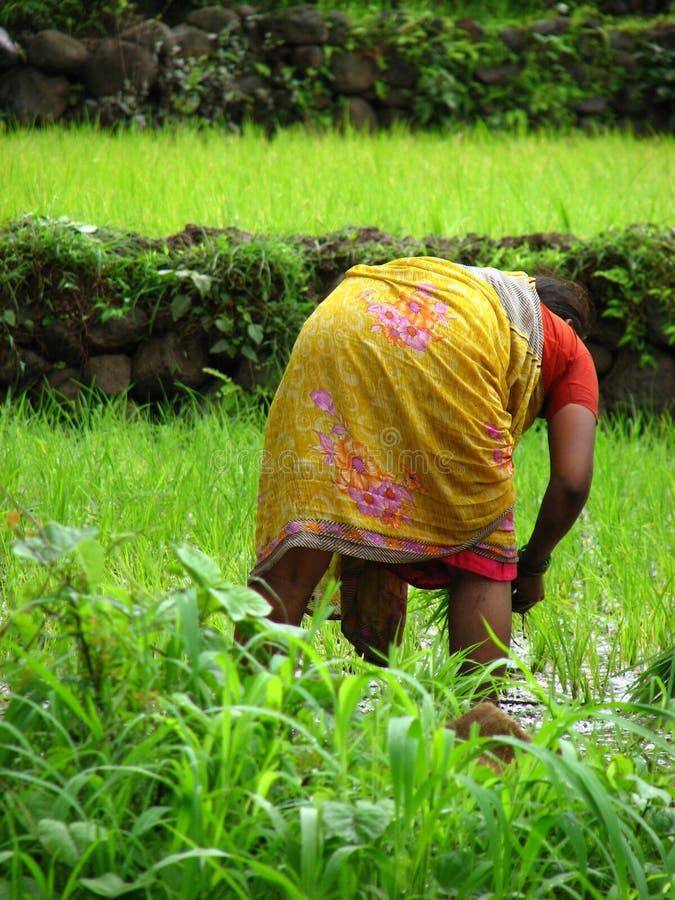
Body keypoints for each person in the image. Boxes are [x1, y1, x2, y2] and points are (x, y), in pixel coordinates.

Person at [247, 257, 598, 681]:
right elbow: (573, 480)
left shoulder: (467, 288)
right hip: (449, 346)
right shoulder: (565, 344)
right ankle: (478, 728)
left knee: (308, 529)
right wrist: (534, 564)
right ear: (566, 323)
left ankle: (245, 712)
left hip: (337, 315)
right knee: (482, 537)